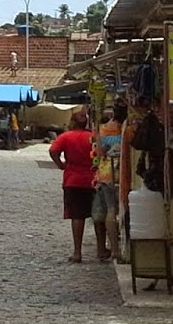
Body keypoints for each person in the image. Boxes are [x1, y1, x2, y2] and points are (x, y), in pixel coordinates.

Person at [49, 110, 97, 263]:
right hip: (93, 179)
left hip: (72, 180)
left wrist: (61, 164)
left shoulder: (66, 136)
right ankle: (102, 248)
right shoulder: (93, 137)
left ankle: (77, 252)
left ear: (72, 122)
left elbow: (53, 150)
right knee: (98, 215)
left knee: (77, 216)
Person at [92, 105, 126, 262]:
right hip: (124, 170)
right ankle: (122, 247)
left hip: (106, 172)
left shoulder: (104, 128)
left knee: (110, 210)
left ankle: (114, 249)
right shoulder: (126, 127)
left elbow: (99, 153)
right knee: (120, 210)